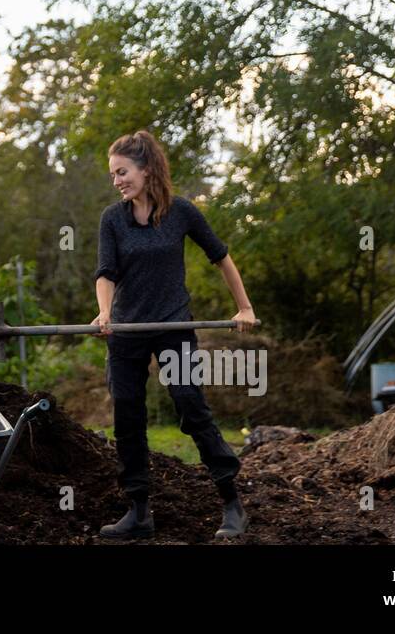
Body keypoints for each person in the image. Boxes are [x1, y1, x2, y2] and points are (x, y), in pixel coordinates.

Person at [92, 129, 257, 541]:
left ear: (146, 170)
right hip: (127, 330)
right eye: (113, 175)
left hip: (174, 325)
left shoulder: (182, 212)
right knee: (127, 418)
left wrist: (245, 307)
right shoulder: (113, 219)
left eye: (122, 172)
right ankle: (139, 512)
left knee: (190, 405)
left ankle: (232, 503)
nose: (117, 181)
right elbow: (105, 273)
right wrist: (105, 312)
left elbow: (221, 258)